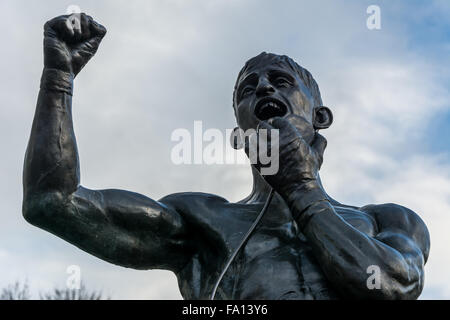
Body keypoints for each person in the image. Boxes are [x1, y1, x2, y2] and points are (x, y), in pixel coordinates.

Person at [23, 13, 430, 300]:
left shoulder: (388, 221)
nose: (265, 89)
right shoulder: (201, 223)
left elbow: (397, 287)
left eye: (281, 81)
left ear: (320, 117)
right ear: (239, 136)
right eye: (248, 88)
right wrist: (58, 78)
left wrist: (303, 190)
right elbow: (52, 202)